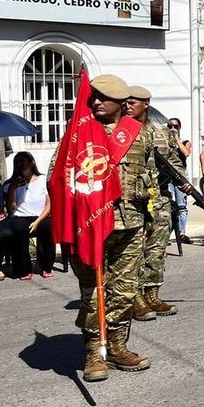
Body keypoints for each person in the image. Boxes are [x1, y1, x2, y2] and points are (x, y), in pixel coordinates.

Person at [51, 74, 155, 381]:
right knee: (93, 292)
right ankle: (94, 353)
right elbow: (58, 177)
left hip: (131, 223)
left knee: (123, 292)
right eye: (92, 97)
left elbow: (148, 179)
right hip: (90, 225)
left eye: (103, 98)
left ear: (121, 103)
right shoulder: (78, 133)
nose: (95, 102)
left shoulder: (140, 133)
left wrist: (151, 219)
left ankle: (119, 347)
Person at [126, 85, 188, 321]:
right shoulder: (121, 132)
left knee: (157, 250)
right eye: (126, 102)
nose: (127, 106)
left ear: (146, 104)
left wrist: (180, 179)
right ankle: (134, 298)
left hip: (159, 198)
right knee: (134, 251)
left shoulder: (162, 132)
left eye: (133, 102)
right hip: (132, 200)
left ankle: (152, 293)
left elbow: (175, 161)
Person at [5, 151, 54, 280]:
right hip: (20, 217)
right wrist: (12, 189)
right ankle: (24, 269)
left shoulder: (43, 180)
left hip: (41, 215)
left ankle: (46, 265)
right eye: (17, 162)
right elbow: (11, 209)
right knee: (20, 230)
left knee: (48, 227)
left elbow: (49, 205)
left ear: (32, 163)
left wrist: (38, 221)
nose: (20, 165)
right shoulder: (11, 184)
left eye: (22, 161)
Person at [166, 117, 192, 244]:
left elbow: (186, 153)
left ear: (179, 127)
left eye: (175, 126)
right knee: (169, 205)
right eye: (170, 126)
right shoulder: (165, 143)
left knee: (181, 205)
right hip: (167, 176)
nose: (172, 128)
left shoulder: (185, 141)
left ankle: (181, 233)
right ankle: (168, 233)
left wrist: (176, 138)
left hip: (180, 175)